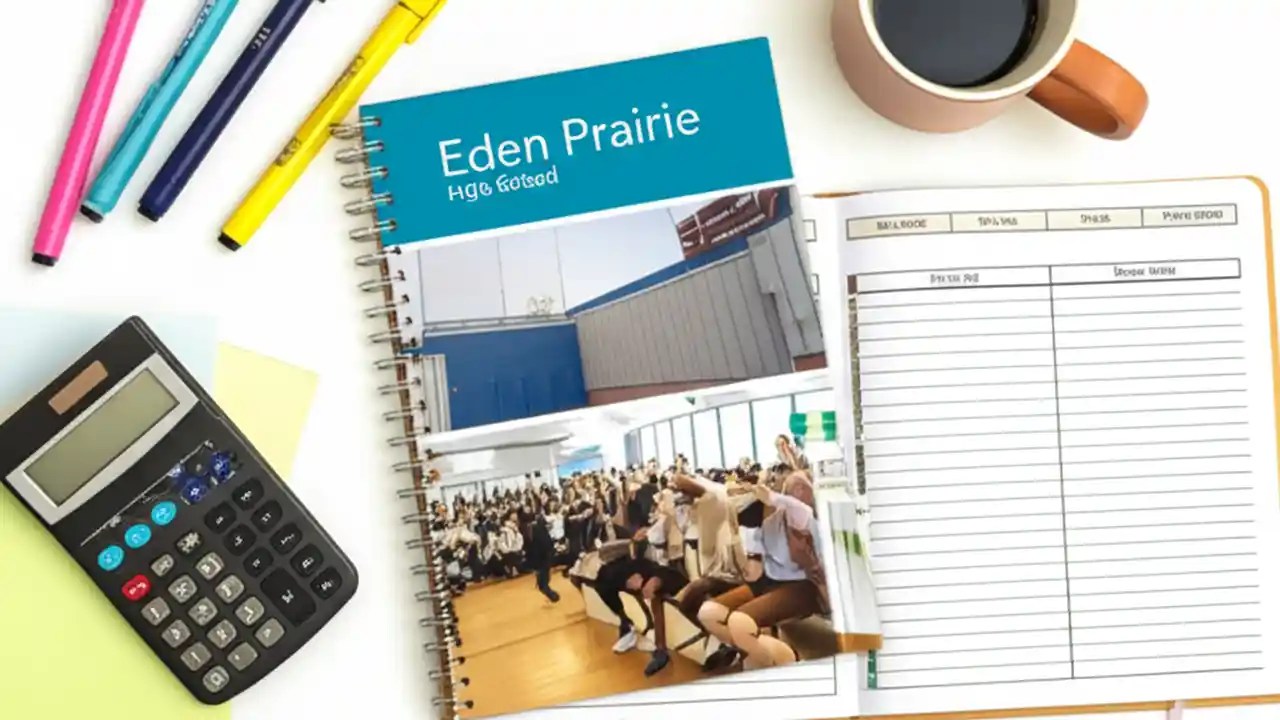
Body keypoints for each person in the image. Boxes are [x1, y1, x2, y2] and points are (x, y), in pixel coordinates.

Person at [697, 472, 827, 670]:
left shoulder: (806, 517)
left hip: (803, 585)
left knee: (739, 622)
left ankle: (786, 661)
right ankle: (754, 655)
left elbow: (797, 509)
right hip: (769, 581)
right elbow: (753, 571)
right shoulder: (766, 525)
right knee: (709, 612)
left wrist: (772, 497)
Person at [527, 501, 562, 603]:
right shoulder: (538, 526)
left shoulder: (537, 526)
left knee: (543, 580)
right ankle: (551, 595)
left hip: (543, 555)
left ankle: (552, 595)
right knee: (543, 580)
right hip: (543, 555)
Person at [496, 512, 524, 578]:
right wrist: (508, 550)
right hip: (507, 552)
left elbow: (519, 539)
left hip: (515, 549)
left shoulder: (515, 528)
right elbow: (501, 543)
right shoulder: (504, 530)